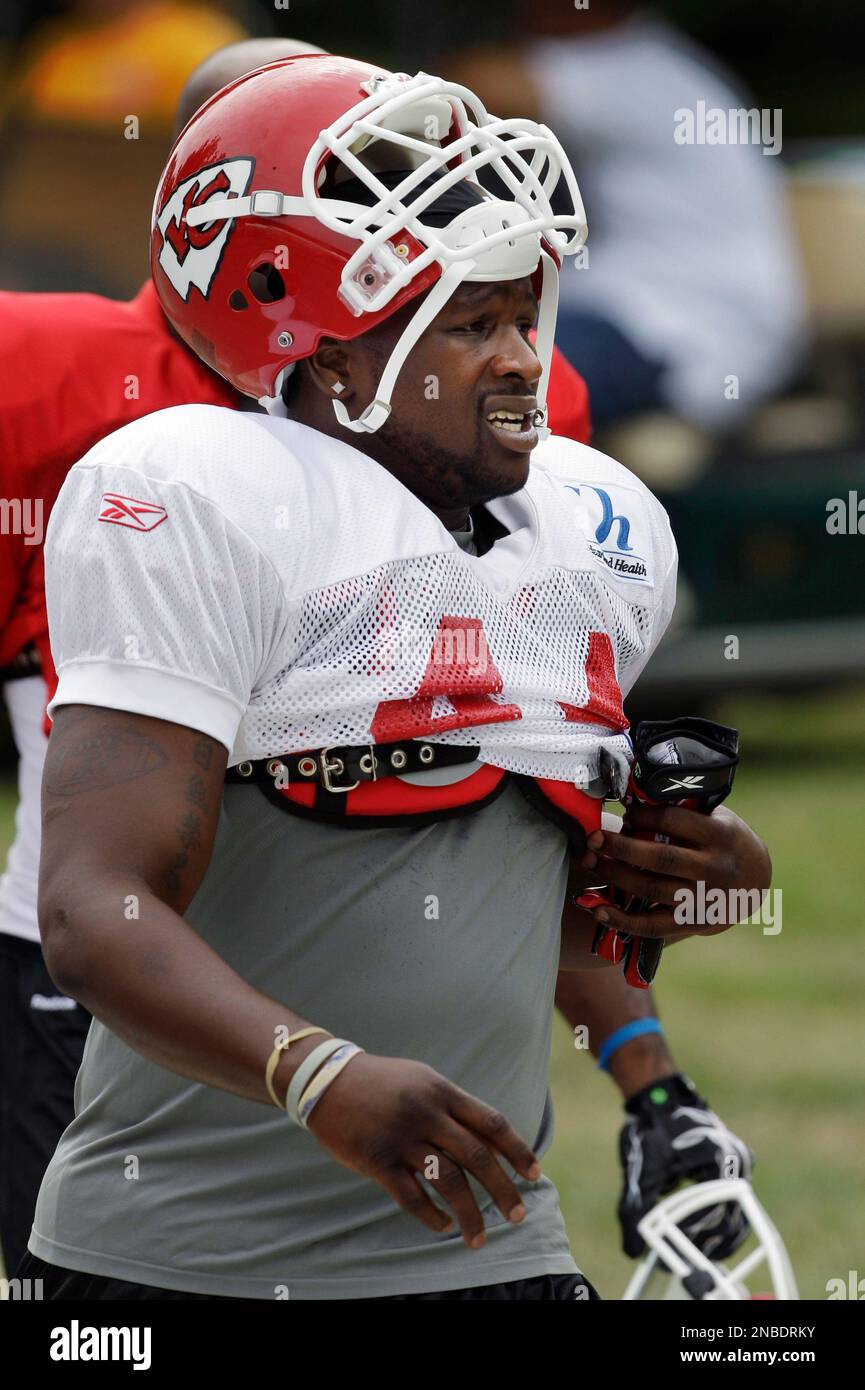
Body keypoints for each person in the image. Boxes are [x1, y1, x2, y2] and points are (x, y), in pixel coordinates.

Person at [8, 53, 763, 1300]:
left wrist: (711, 879)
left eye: (527, 312)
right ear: (327, 351)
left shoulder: (589, 529)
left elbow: (530, 914)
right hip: (180, 1269)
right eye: (471, 323)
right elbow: (95, 910)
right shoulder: (199, 494)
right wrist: (316, 1071)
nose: (523, 359)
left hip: (490, 1246)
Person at [439, 0, 807, 433]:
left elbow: (480, 88)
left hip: (678, 329)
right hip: (650, 315)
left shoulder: (635, 70)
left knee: (468, 379)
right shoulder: (665, 64)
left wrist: (352, 87)